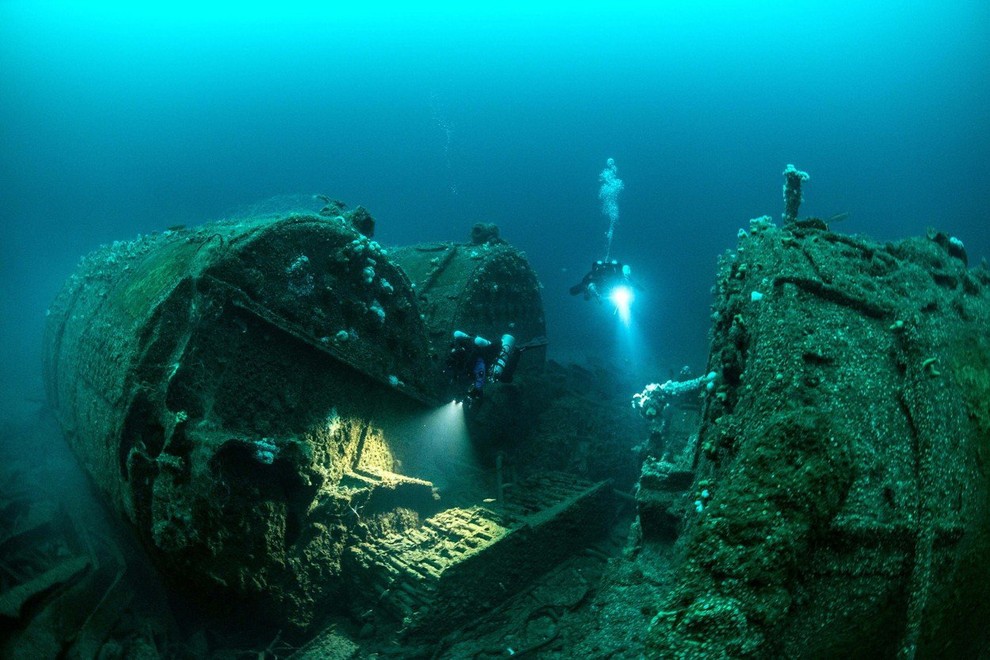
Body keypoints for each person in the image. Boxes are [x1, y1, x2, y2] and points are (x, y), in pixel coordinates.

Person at [445, 331, 547, 406]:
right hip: (486, 356)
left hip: (493, 359)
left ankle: (518, 351)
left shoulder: (472, 360)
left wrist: (476, 389)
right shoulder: (464, 357)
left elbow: (480, 374)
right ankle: (517, 351)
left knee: (506, 378)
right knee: (504, 377)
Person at [569, 259, 633, 301]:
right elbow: (585, 283)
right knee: (587, 286)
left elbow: (629, 284)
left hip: (606, 289)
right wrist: (587, 291)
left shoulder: (619, 275)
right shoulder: (596, 275)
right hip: (600, 287)